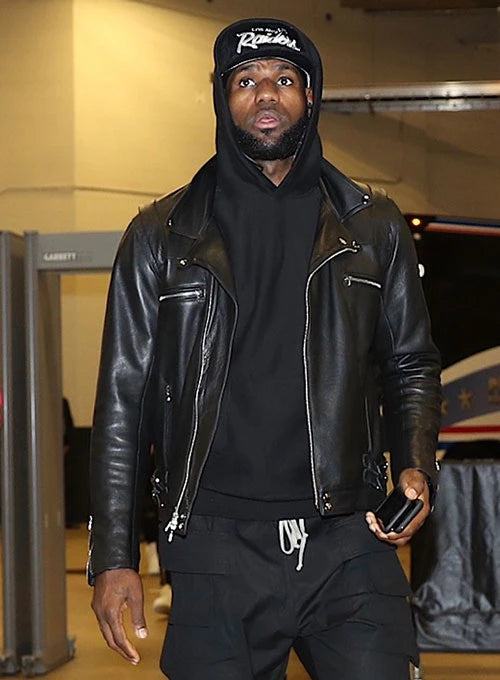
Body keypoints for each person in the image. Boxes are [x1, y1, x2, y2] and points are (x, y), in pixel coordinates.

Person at [89, 17, 441, 680]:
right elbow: (122, 403)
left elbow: (410, 363)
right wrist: (113, 556)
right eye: (246, 81)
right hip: (214, 547)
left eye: (284, 78)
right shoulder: (161, 235)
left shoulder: (373, 226)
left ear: (310, 95)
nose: (266, 93)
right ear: (223, 100)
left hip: (350, 540)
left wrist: (416, 465)